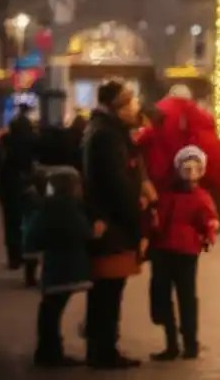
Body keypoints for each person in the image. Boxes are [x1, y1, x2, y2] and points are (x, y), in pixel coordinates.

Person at [82, 80, 144, 369]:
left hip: (108, 221)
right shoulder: (108, 136)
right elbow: (116, 184)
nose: (136, 107)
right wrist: (137, 214)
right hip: (113, 224)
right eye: (131, 103)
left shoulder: (105, 130)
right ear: (118, 107)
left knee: (106, 289)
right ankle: (103, 349)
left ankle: (101, 345)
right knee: (108, 289)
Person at [149, 145, 218, 361]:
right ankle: (175, 342)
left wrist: (209, 232)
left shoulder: (200, 197)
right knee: (165, 297)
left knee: (185, 298)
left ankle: (188, 342)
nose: (190, 174)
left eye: (194, 169)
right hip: (165, 250)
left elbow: (208, 219)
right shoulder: (168, 194)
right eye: (186, 169)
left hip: (184, 251)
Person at [26, 166, 95, 368]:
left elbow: (34, 237)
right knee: (53, 310)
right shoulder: (71, 209)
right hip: (67, 269)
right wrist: (94, 232)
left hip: (53, 268)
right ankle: (51, 352)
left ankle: (47, 349)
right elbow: (83, 233)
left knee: (49, 309)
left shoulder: (46, 208)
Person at [139, 86, 220, 223]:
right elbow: (214, 152)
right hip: (191, 180)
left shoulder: (157, 112)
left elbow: (143, 141)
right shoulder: (202, 116)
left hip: (159, 180)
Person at [0, 104, 39, 270]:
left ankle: (14, 257)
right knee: (29, 220)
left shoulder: (6, 144)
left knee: (11, 221)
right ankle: (28, 255)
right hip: (27, 184)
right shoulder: (31, 143)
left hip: (9, 185)